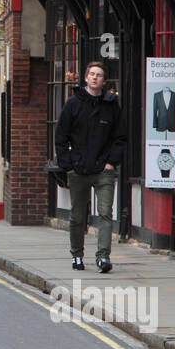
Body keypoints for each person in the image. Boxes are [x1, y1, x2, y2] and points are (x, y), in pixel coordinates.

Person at [55, 61, 126, 273]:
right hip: (78, 169)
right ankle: (77, 255)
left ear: (104, 81)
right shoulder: (73, 104)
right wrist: (68, 166)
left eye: (99, 75)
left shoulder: (111, 105)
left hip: (103, 169)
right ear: (86, 78)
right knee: (78, 215)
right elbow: (60, 137)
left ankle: (103, 257)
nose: (95, 77)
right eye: (92, 74)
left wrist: (111, 163)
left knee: (105, 213)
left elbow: (120, 137)